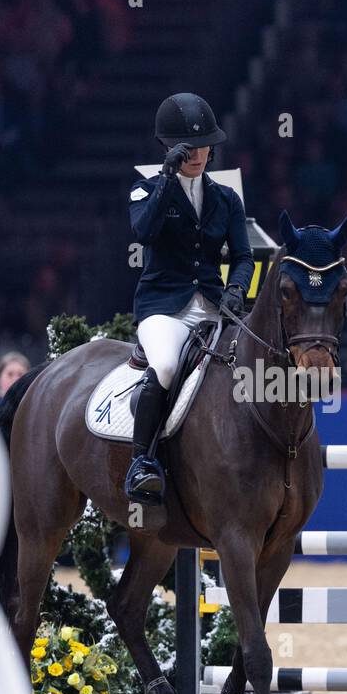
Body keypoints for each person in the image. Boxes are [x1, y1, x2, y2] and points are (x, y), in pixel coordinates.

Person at [124, 93, 253, 505]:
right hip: (162, 306)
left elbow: (244, 256)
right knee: (164, 364)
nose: (199, 154)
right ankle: (140, 462)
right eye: (189, 148)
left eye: (204, 146)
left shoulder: (226, 200)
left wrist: (236, 289)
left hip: (214, 304)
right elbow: (144, 232)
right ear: (170, 148)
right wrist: (165, 178)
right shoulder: (145, 191)